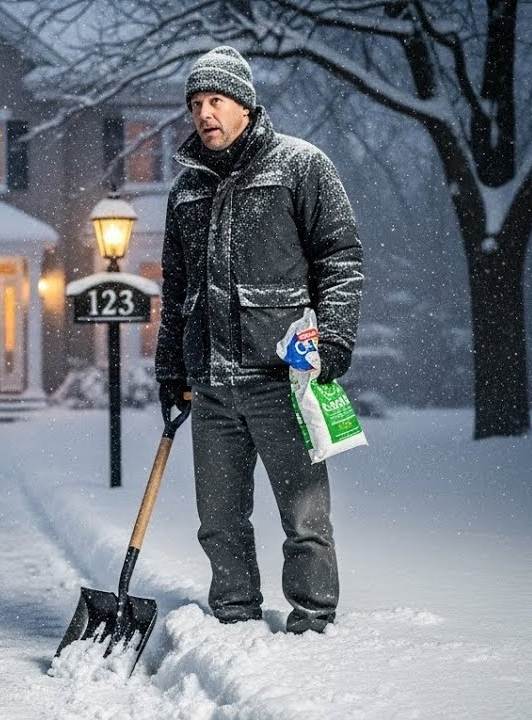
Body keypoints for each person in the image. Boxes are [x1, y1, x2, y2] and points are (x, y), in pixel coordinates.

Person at [153, 47, 364, 634]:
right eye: (195, 103)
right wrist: (171, 367)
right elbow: (179, 289)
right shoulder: (186, 191)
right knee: (218, 520)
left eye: (215, 100)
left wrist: (336, 340)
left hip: (283, 378)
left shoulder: (300, 166)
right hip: (211, 385)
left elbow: (340, 260)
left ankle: (313, 620)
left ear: (244, 103)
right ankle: (235, 620)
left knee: (304, 517)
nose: (204, 113)